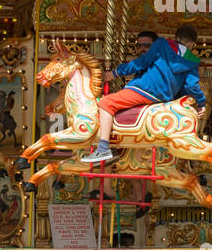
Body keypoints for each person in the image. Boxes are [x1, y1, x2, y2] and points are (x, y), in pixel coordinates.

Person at [81, 26, 205, 164]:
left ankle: (103, 148)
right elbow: (190, 86)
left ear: (176, 38)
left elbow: (142, 62)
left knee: (106, 103)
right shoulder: (193, 61)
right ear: (191, 44)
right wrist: (201, 103)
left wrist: (116, 72)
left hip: (145, 89)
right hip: (164, 98)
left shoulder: (162, 44)